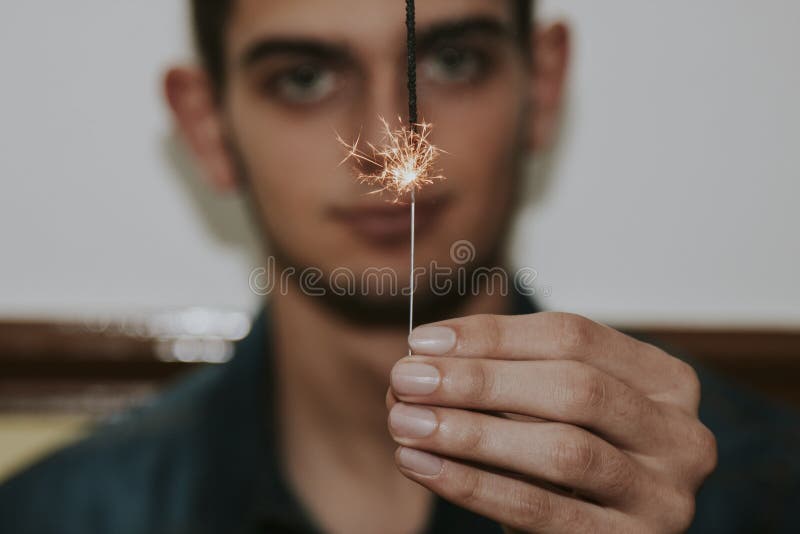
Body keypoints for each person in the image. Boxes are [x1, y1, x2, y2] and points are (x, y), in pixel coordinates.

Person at [1, 1, 798, 532]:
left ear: (544, 86)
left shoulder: (759, 489)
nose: (390, 147)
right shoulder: (56, 517)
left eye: (453, 61)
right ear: (207, 127)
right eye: (304, 78)